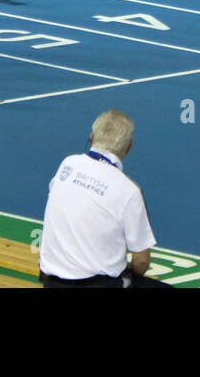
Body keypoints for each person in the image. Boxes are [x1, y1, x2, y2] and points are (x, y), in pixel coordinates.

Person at [38, 110, 168, 288]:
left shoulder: (67, 164)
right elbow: (141, 260)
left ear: (91, 137)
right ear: (129, 146)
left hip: (50, 281)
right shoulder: (129, 190)